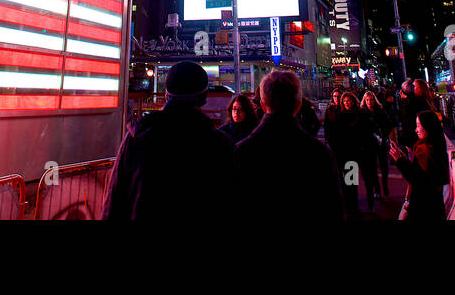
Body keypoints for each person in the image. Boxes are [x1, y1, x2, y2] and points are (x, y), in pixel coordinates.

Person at [102, 61, 236, 219]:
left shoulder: (138, 135)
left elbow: (115, 198)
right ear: (203, 98)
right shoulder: (220, 145)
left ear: (166, 95)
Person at [234, 70, 343, 221]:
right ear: (298, 105)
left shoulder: (240, 152)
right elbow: (333, 209)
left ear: (262, 104)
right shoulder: (319, 153)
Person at [390, 110, 449, 220]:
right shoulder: (436, 145)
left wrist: (400, 161)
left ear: (427, 126)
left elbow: (419, 179)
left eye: (418, 126)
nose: (416, 130)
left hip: (423, 207)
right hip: (435, 205)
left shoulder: (426, 149)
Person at [326, 91, 379, 215]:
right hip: (349, 152)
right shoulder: (341, 115)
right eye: (344, 102)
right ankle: (352, 206)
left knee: (367, 179)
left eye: (348, 101)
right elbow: (336, 133)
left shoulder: (362, 113)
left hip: (363, 151)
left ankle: (371, 205)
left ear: (354, 101)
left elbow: (370, 129)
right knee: (351, 181)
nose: (346, 103)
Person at [362, 90, 394, 198]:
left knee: (384, 166)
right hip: (370, 143)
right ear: (364, 101)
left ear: (374, 100)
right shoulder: (363, 113)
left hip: (381, 141)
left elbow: (388, 124)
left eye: (371, 100)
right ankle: (377, 190)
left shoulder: (380, 111)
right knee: (373, 168)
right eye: (367, 100)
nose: (369, 102)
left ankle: (384, 186)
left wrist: (383, 135)